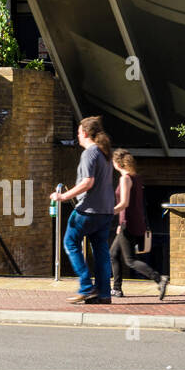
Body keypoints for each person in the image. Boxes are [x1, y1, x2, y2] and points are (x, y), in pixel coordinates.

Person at [50, 115, 115, 304]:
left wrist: (63, 196)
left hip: (89, 209)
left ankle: (86, 287)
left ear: (85, 133)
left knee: (70, 242)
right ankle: (103, 294)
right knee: (101, 250)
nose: (77, 136)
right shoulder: (105, 153)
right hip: (106, 211)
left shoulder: (90, 153)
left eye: (78, 132)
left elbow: (88, 182)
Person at [109, 149, 169, 299]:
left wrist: (108, 212)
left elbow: (124, 203)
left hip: (127, 224)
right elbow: (135, 205)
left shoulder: (125, 179)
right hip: (133, 223)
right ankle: (116, 289)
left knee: (130, 261)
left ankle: (159, 278)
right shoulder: (136, 178)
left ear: (117, 163)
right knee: (113, 254)